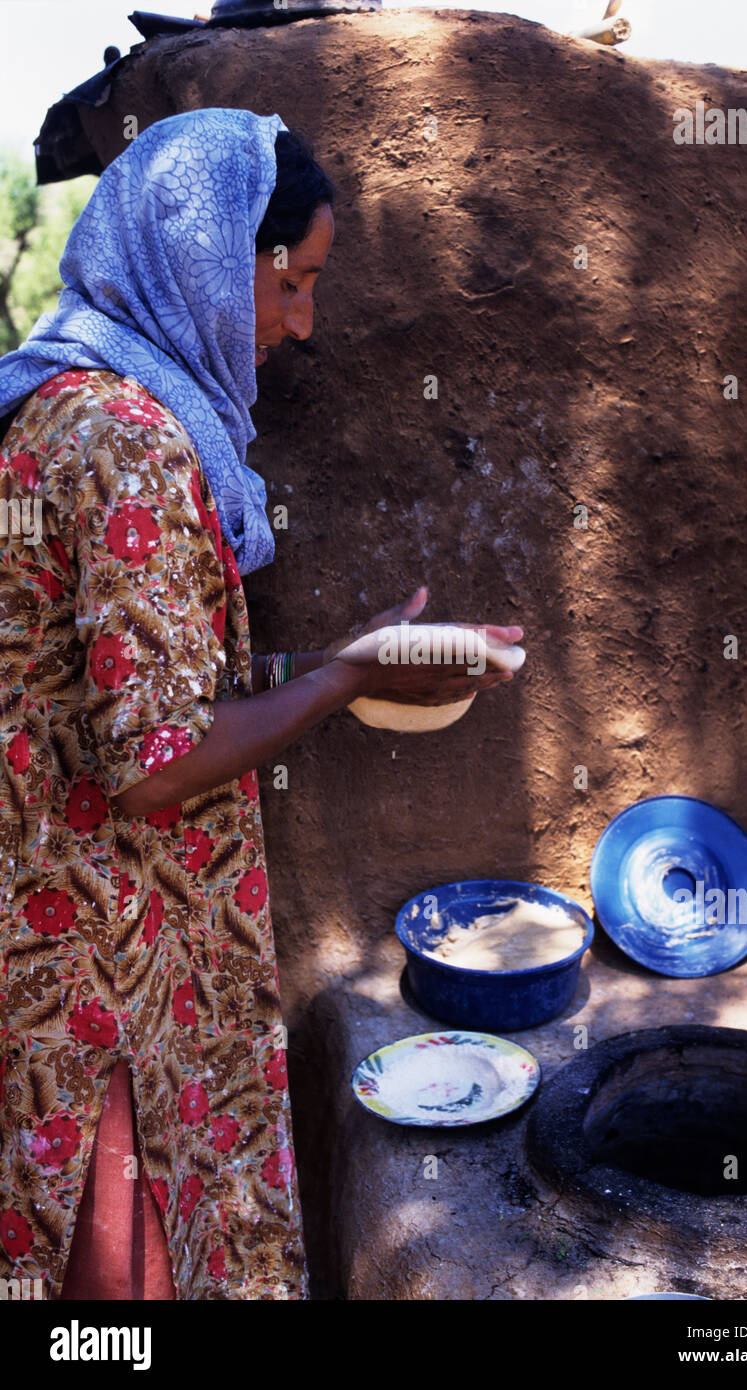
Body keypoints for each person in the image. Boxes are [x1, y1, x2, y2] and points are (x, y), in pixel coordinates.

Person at [0, 107, 523, 1300]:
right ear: (200, 252)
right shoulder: (123, 440)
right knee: (118, 1281)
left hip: (80, 941)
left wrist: (352, 662)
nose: (301, 318)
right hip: (107, 972)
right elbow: (157, 762)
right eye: (292, 278)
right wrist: (347, 678)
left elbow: (143, 698)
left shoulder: (84, 410)